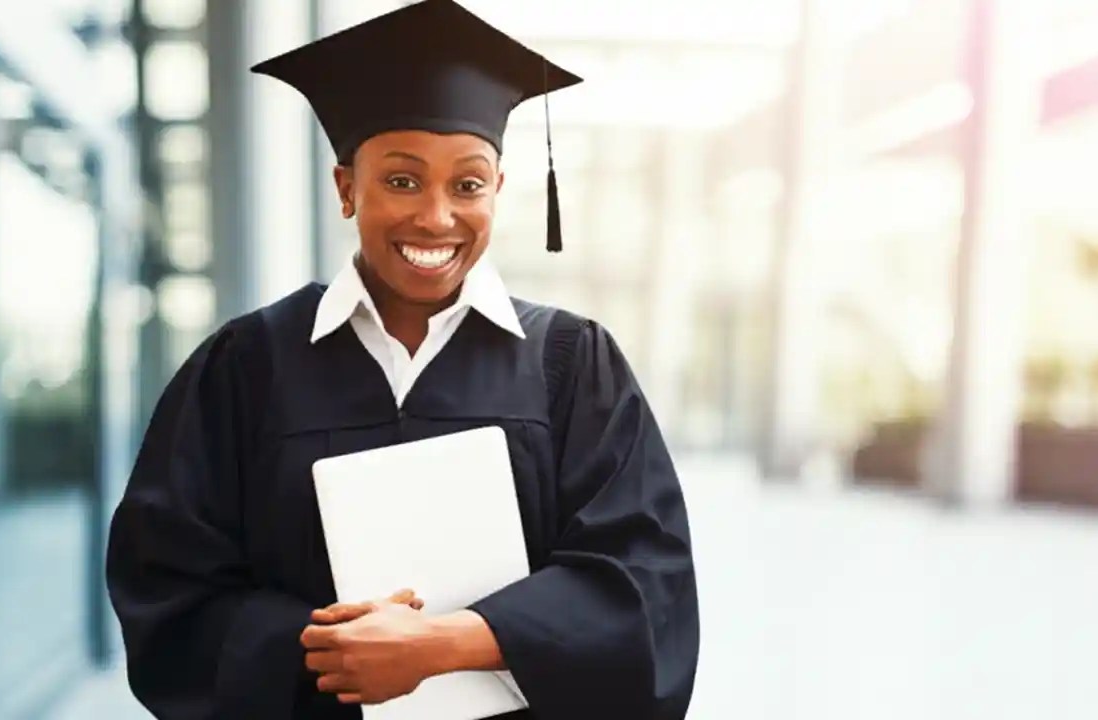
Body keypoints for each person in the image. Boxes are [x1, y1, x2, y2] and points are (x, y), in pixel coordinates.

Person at [105, 1, 700, 718]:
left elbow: (644, 590)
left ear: (499, 191)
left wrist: (446, 645)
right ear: (346, 187)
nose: (437, 217)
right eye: (402, 179)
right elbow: (167, 587)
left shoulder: (573, 366)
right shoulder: (246, 365)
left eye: (469, 184)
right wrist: (321, 650)